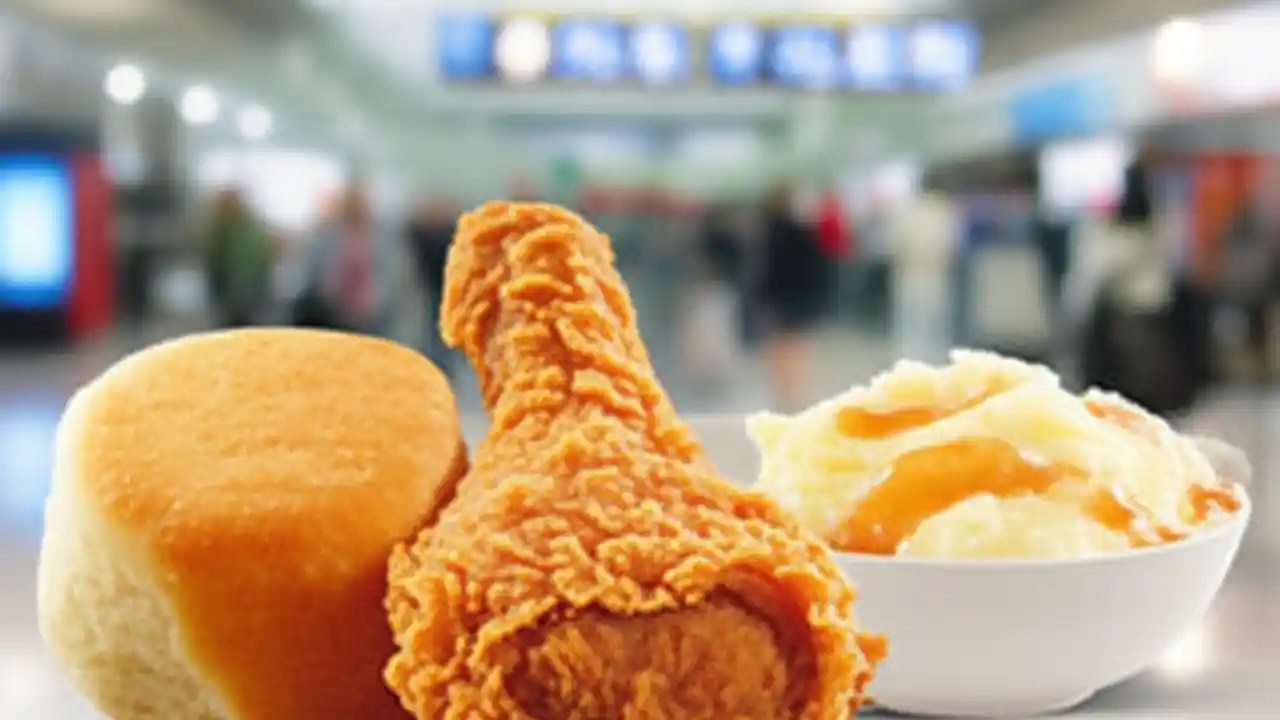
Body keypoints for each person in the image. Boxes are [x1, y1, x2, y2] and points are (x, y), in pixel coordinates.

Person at [759, 185, 830, 411]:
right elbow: (816, 270)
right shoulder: (805, 234)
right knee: (796, 348)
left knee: (782, 348)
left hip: (781, 299)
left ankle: (787, 394)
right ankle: (795, 394)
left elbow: (768, 272)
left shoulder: (773, 235)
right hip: (798, 299)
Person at [295, 184, 392, 334]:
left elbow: (392, 279)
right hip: (329, 313)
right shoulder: (326, 235)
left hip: (371, 317)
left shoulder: (384, 239)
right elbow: (310, 274)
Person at [886, 187, 956, 364]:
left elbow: (895, 245)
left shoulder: (907, 214)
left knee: (908, 326)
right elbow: (950, 248)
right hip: (935, 278)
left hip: (909, 277)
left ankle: (907, 361)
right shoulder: (943, 214)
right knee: (935, 326)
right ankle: (933, 363)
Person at [681, 204, 745, 393]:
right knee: (718, 334)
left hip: (715, 290)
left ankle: (711, 375)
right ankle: (715, 374)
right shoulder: (731, 240)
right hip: (724, 290)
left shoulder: (713, 240)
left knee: (711, 334)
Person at [1221, 199, 1278, 378]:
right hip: (1248, 291)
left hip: (1254, 291)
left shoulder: (1262, 236)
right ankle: (1256, 367)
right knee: (1249, 332)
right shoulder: (1236, 237)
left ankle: (1261, 366)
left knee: (1258, 331)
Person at [203, 188, 274, 328]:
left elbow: (260, 261)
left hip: (248, 293)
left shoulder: (250, 229)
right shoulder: (220, 229)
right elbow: (212, 260)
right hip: (229, 292)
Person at [406, 198, 457, 372]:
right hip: (425, 289)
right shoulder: (419, 233)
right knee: (428, 327)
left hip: (444, 288)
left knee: (440, 330)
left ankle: (443, 364)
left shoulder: (447, 233)